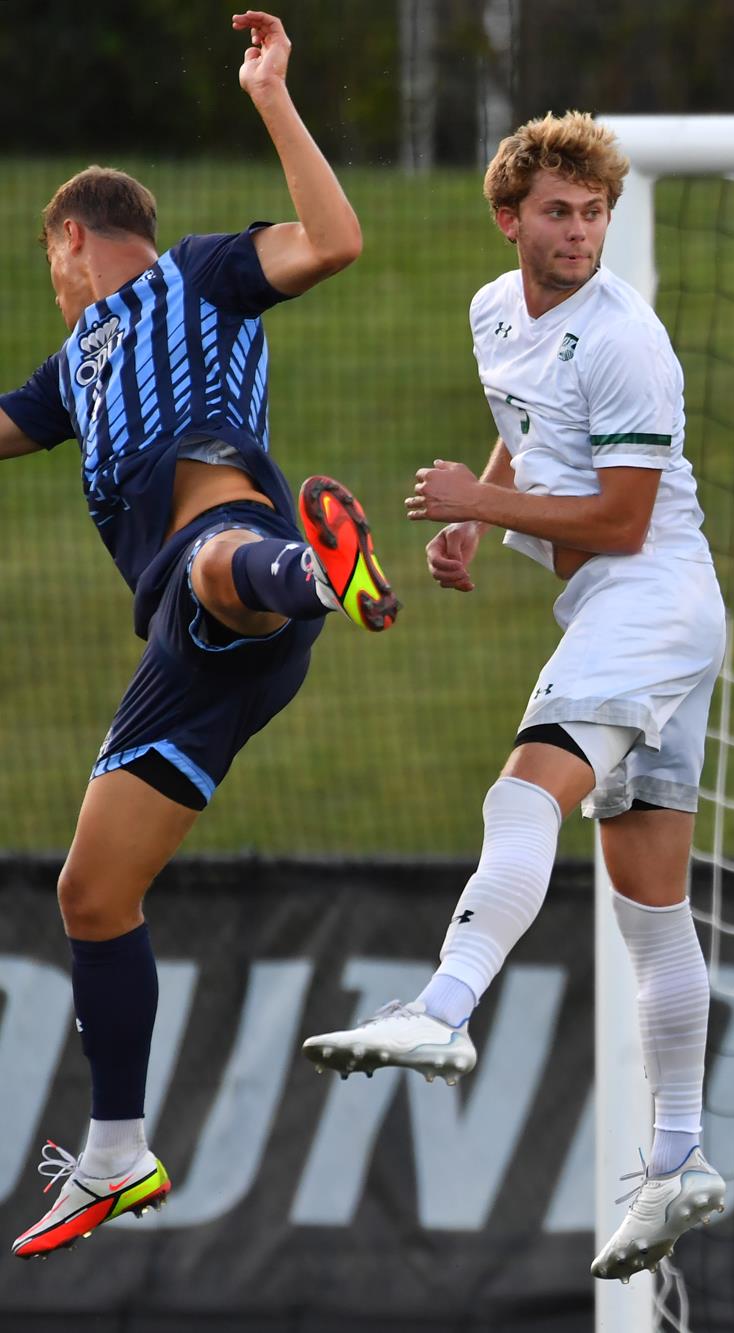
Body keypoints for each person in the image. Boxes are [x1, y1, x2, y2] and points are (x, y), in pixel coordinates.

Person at [298, 111, 725, 1281]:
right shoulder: (495, 308)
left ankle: (443, 1005)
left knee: (519, 791)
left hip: (650, 600)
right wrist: (481, 515)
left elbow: (622, 519)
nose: (581, 232)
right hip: (632, 617)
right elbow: (525, 431)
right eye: (559, 212)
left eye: (594, 213)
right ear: (512, 218)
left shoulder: (626, 340)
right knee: (649, 907)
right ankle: (680, 1153)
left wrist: (479, 510)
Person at [4, 11, 399, 1261]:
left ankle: (308, 564)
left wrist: (272, 95)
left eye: (52, 260)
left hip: (221, 550)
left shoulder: (197, 275)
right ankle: (118, 1151)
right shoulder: (72, 368)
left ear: (71, 235)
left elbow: (335, 240)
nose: (56, 285)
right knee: (94, 888)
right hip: (195, 641)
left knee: (212, 540)